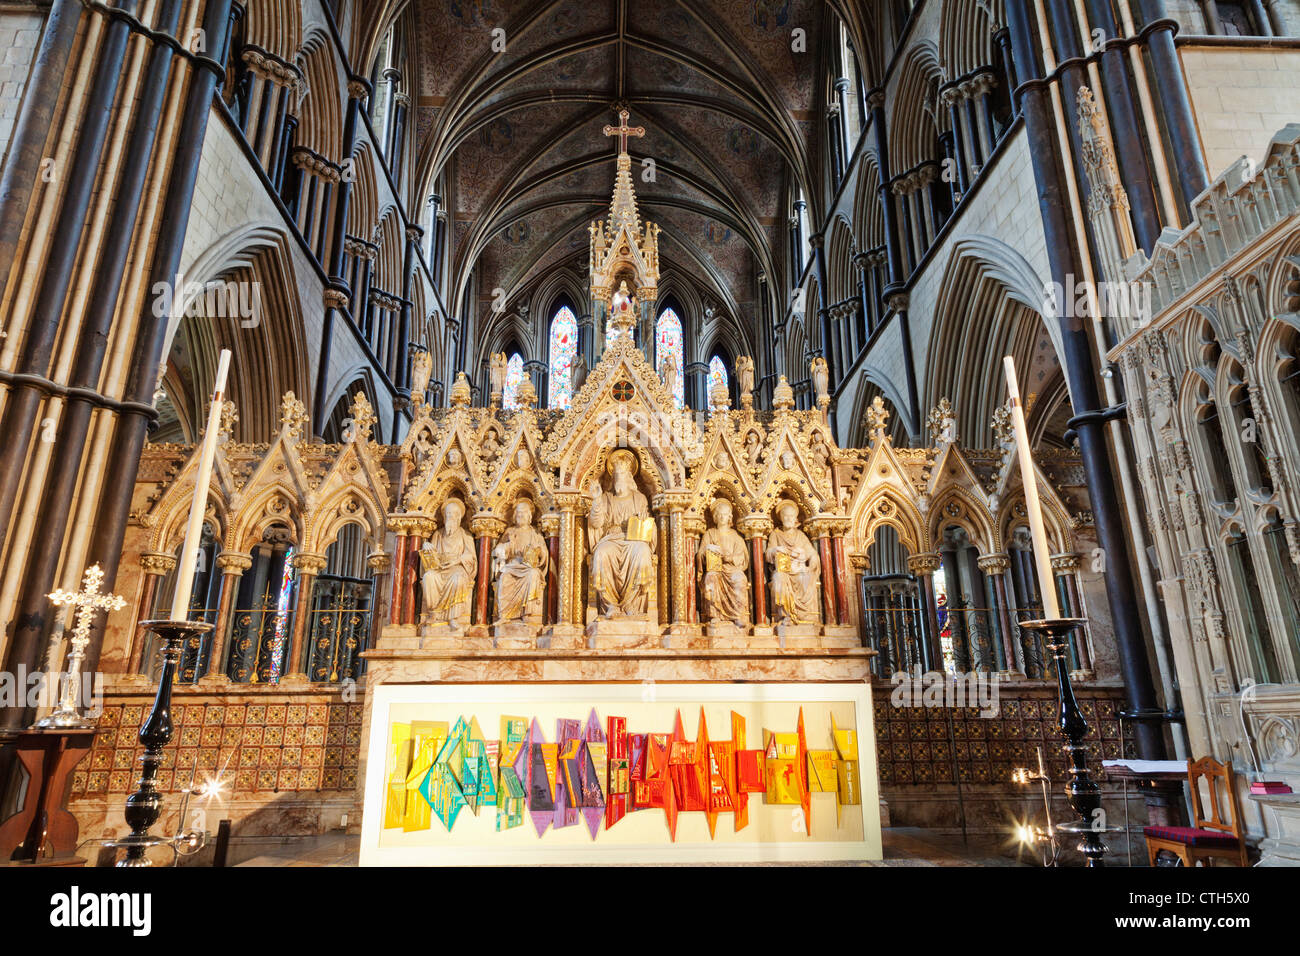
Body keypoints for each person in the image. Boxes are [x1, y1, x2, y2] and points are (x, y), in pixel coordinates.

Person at [588, 449, 656, 617]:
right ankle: (610, 605)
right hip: (611, 538)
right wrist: (596, 500)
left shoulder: (639, 498)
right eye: (616, 476)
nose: (619, 479)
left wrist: (642, 519)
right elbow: (596, 523)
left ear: (628, 477)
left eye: (622, 475)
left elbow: (648, 525)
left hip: (633, 539)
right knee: (602, 554)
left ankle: (631, 604)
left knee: (642, 551)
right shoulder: (606, 497)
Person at [420, 498, 477, 627]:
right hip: (440, 568)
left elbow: (471, 557)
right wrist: (426, 546)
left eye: (455, 514)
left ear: (459, 517)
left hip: (457, 568)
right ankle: (434, 613)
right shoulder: (438, 535)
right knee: (429, 576)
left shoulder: (465, 535)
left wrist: (457, 560)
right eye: (449, 513)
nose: (451, 516)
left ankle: (453, 617)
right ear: (445, 516)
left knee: (458, 579)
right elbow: (431, 554)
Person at [765, 500, 821, 625]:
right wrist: (776, 550)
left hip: (799, 569)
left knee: (806, 577)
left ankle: (806, 616)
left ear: (795, 518)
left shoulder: (800, 535)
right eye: (786, 516)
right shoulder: (775, 534)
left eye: (791, 516)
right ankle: (784, 615)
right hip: (783, 570)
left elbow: (812, 554)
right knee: (779, 578)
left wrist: (810, 565)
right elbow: (768, 554)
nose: (789, 518)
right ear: (781, 518)